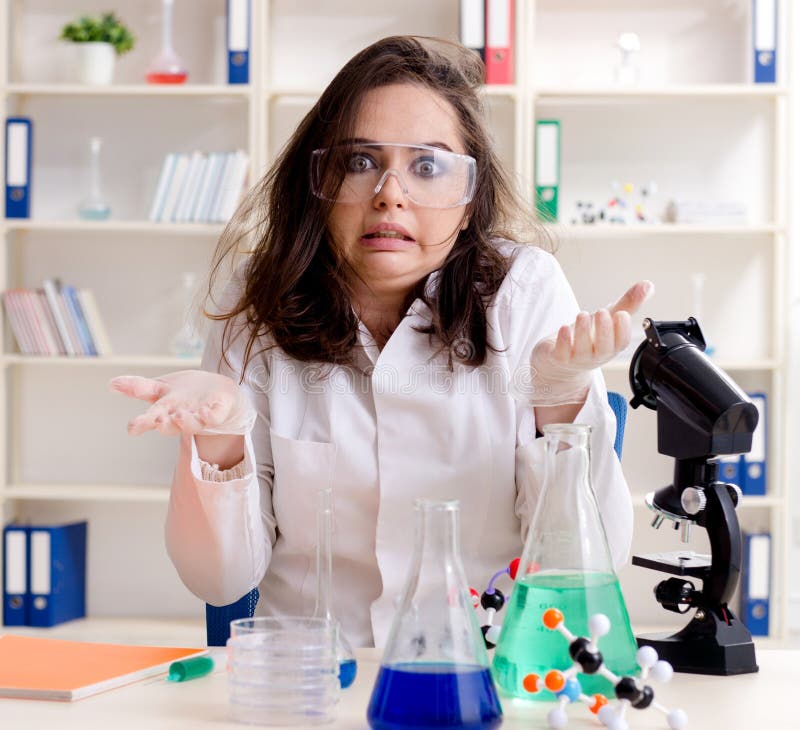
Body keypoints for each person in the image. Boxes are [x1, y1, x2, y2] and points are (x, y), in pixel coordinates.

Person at [111, 36, 652, 650]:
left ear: (470, 200)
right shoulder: (258, 302)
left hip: (479, 668)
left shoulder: (523, 290)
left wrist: (558, 401)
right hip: (312, 674)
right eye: (360, 162)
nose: (389, 194)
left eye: (427, 166)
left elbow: (588, 567)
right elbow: (218, 579)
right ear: (317, 184)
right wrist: (218, 437)